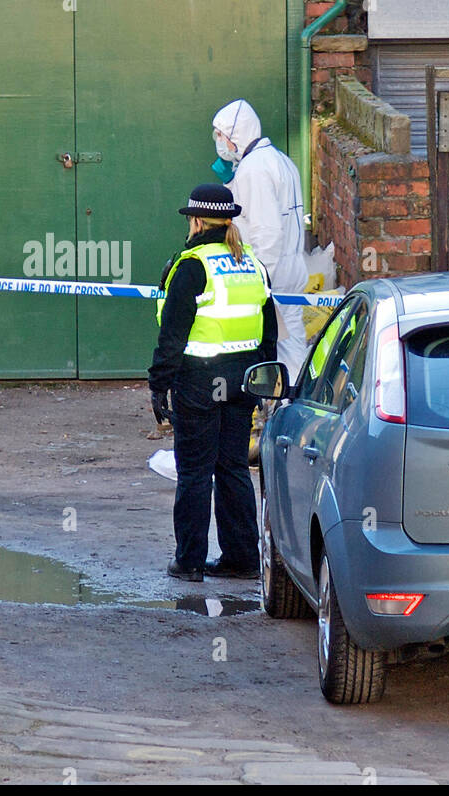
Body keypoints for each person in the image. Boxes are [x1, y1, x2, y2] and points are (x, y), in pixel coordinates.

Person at [149, 183, 277, 582]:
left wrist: (158, 384)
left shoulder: (192, 266)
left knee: (194, 472)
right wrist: (262, 378)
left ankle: (189, 561)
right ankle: (242, 558)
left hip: (199, 382)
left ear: (197, 221)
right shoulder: (252, 264)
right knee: (234, 468)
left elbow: (172, 333)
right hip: (241, 382)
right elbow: (268, 330)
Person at [211, 98, 311, 384]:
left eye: (221, 135)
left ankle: (280, 400)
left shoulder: (254, 168)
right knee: (290, 345)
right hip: (291, 270)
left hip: (272, 274)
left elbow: (266, 231)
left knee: (271, 347)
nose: (220, 142)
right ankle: (294, 399)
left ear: (235, 134)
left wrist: (259, 280)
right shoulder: (280, 160)